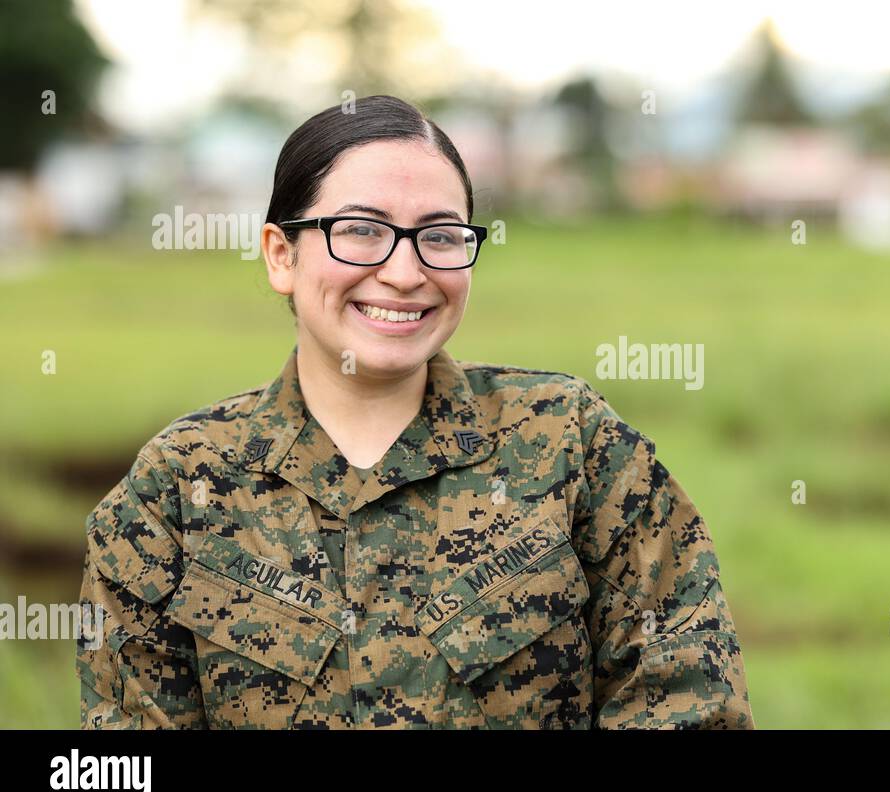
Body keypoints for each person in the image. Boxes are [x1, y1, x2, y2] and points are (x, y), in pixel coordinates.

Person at [76, 95, 753, 729]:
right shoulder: (176, 490)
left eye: (440, 236)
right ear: (281, 255)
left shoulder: (572, 444)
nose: (404, 272)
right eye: (362, 231)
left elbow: (689, 702)